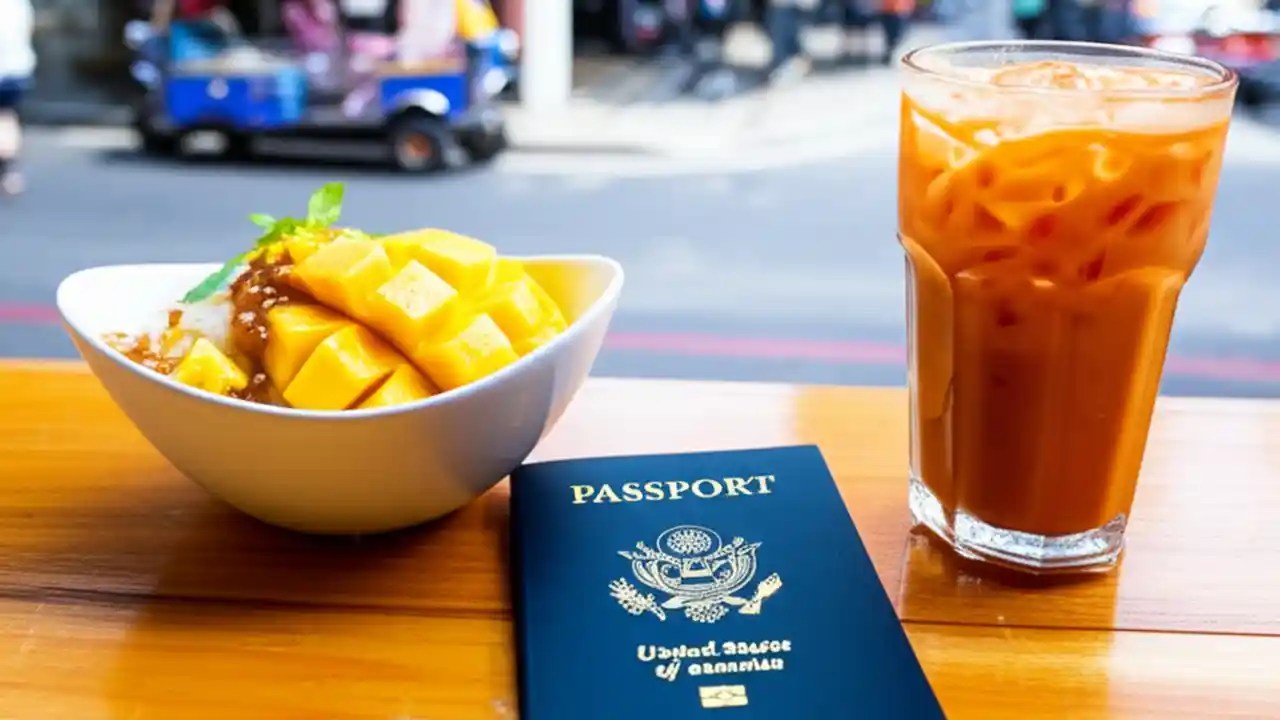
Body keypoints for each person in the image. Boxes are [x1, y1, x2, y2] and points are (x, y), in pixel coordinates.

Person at [0, 0, 35, 196]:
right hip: (18, 68)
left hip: (6, 69)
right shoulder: (20, 5)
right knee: (8, 117)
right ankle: (10, 171)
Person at [879, 0, 915, 66]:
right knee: (891, 36)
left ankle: (893, 54)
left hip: (900, 11)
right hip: (888, 12)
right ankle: (890, 55)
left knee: (898, 36)